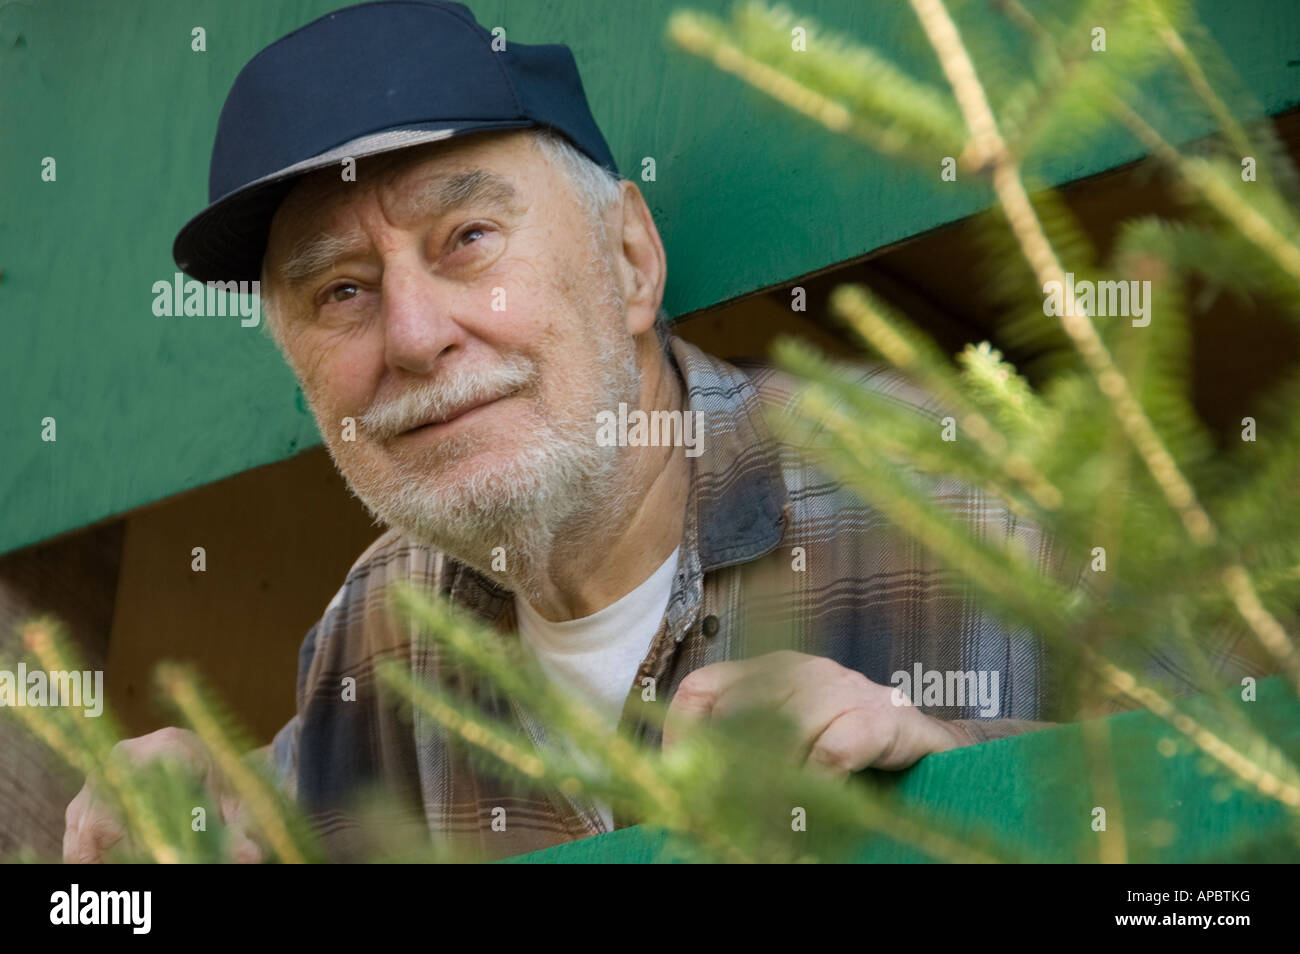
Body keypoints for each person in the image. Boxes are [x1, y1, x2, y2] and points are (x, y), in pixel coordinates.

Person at [61, 0, 1256, 863]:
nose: (416, 335)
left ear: (629, 261)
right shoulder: (374, 641)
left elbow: (1252, 833)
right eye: (339, 293)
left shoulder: (967, 490)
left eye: (466, 239)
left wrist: (958, 769)